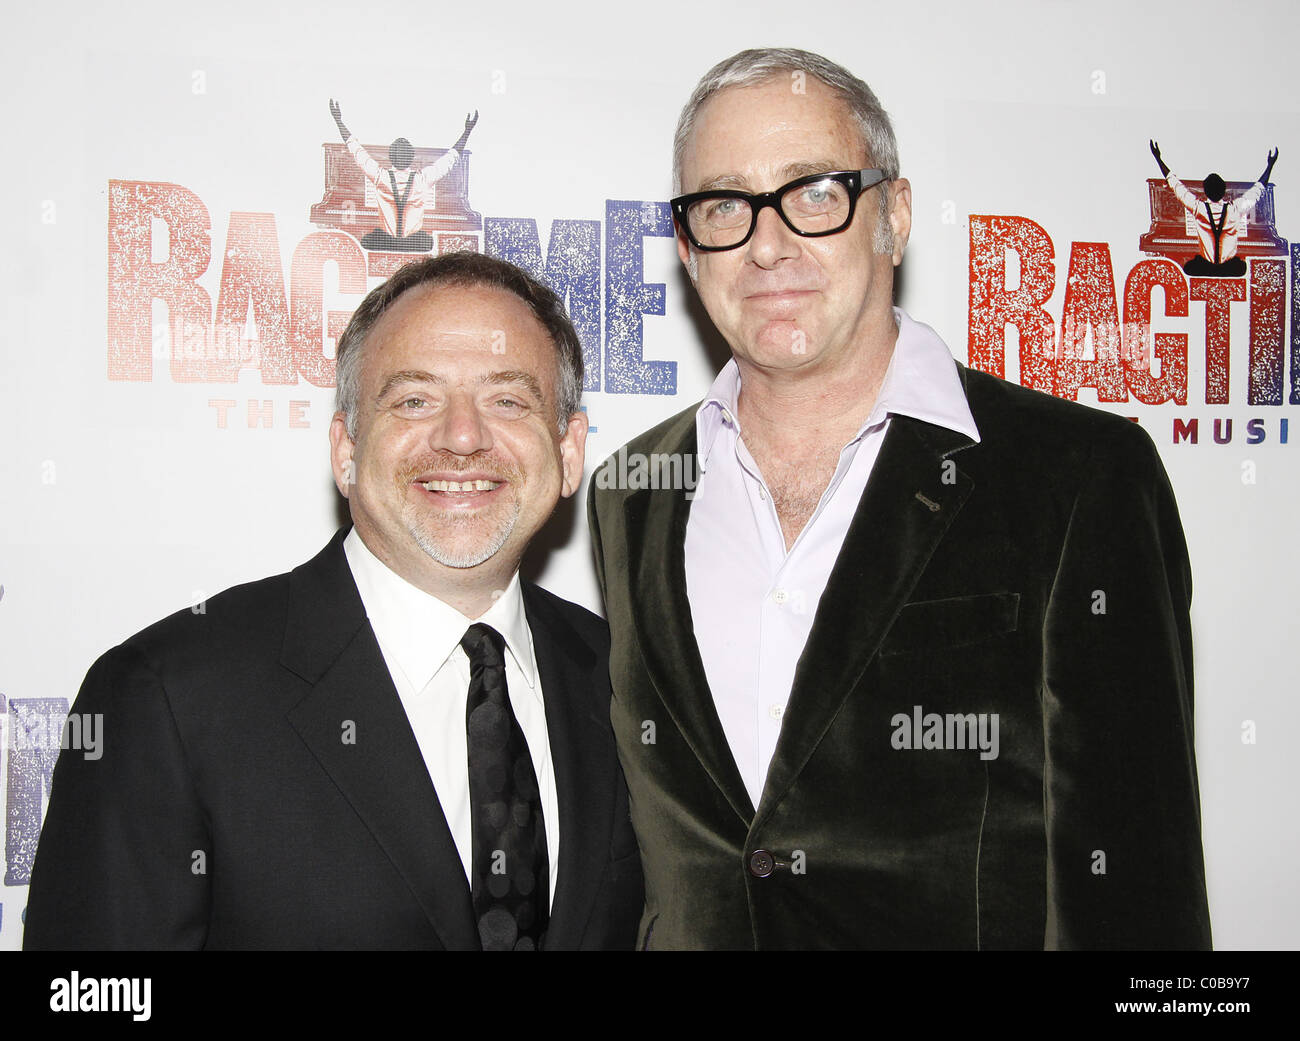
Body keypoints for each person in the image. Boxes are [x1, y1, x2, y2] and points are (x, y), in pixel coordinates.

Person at [588, 48, 1211, 950]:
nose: (768, 244)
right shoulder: (632, 492)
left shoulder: (1077, 474)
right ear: (686, 246)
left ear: (895, 215)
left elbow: (1140, 890)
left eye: (815, 192)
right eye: (723, 204)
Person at [25, 252, 642, 950]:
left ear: (569, 449)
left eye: (507, 399)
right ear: (345, 449)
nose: (463, 435)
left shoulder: (628, 680)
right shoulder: (165, 697)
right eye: (414, 398)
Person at [330, 98, 478, 252]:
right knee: (428, 242)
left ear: (391, 157)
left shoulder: (381, 176)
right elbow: (450, 158)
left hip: (386, 240)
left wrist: (338, 121)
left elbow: (357, 151)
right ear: (411, 158)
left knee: (366, 240)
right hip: (414, 242)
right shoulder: (423, 179)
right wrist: (467, 131)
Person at [1149, 139, 1279, 277]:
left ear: (1205, 192)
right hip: (1231, 269)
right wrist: (1270, 165)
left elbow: (1176, 186)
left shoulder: (1198, 207)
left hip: (1205, 267)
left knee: (1189, 267)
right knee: (1242, 267)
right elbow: (1258, 189)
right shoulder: (1235, 209)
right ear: (1224, 192)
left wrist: (1158, 158)